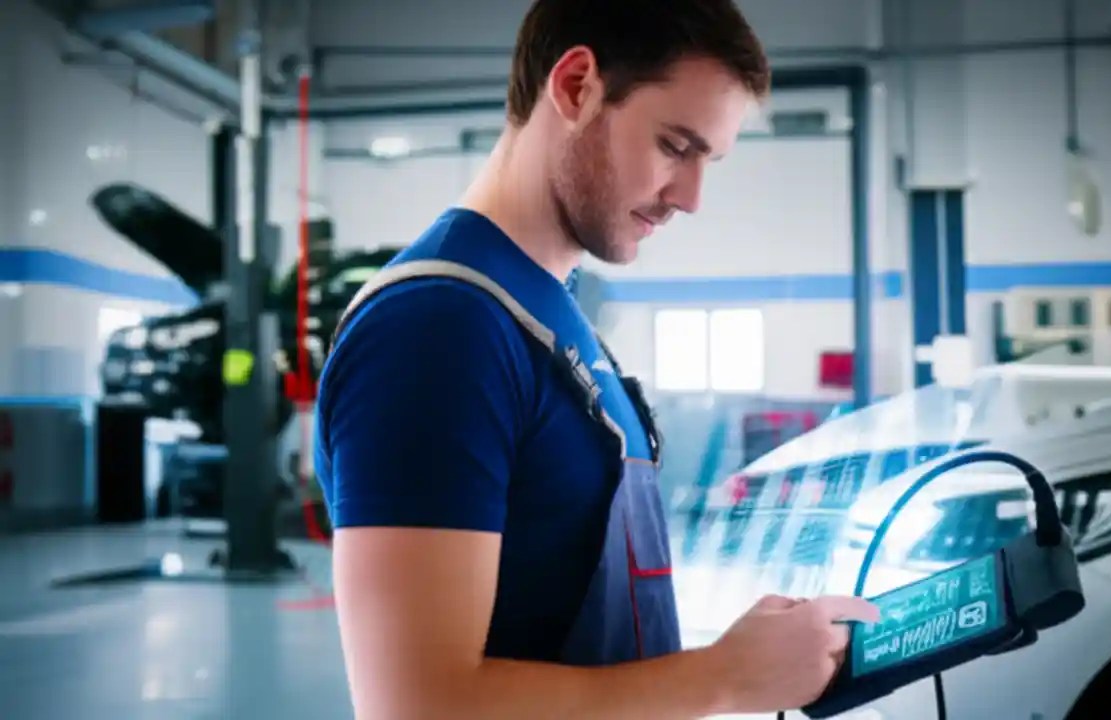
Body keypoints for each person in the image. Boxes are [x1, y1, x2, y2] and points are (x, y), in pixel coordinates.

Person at [314, 1, 880, 717]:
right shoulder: (441, 326)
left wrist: (758, 654)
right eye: (676, 146)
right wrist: (725, 677)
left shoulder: (551, 312)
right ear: (577, 86)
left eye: (710, 160)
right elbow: (419, 704)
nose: (692, 198)